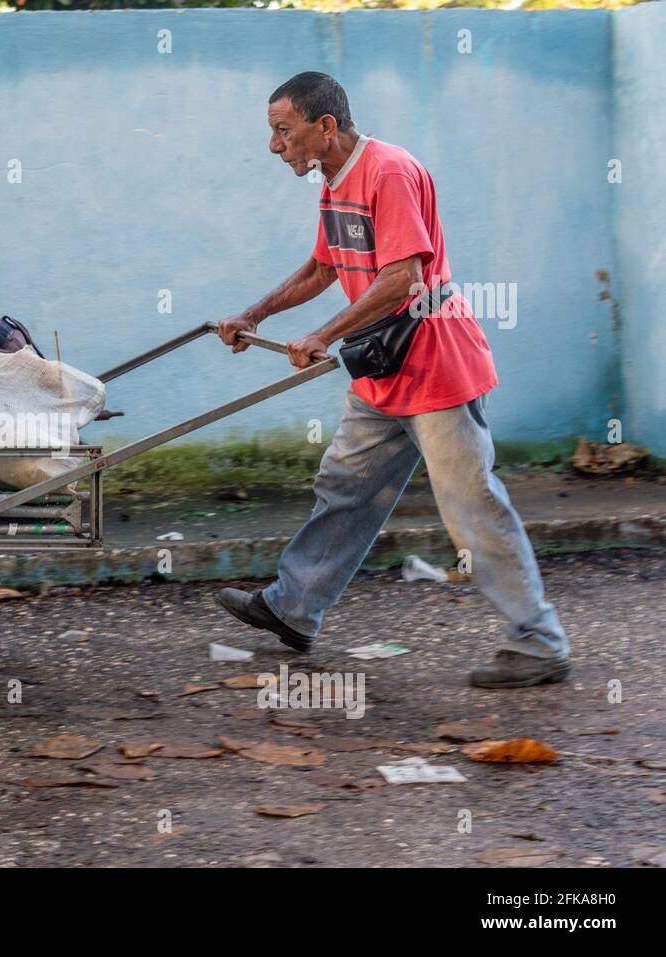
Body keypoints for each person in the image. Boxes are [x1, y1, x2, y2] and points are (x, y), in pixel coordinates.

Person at [214, 71, 570, 689]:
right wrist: (256, 313)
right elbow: (324, 266)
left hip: (433, 365)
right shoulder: (334, 182)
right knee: (345, 488)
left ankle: (539, 641)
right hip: (382, 367)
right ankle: (294, 608)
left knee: (472, 505)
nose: (276, 146)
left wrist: (323, 335)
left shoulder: (390, 172)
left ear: (324, 126)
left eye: (283, 131)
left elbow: (403, 277)